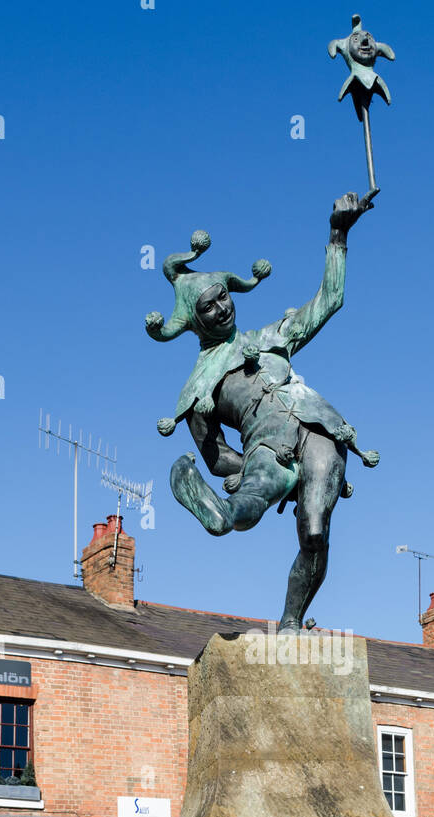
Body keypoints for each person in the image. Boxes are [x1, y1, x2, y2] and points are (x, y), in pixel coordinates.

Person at [145, 192, 379, 631]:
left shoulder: (272, 337)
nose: (221, 309)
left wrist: (338, 234)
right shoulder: (199, 387)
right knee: (251, 496)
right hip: (266, 445)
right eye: (208, 307)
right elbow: (214, 454)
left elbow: (329, 301)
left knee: (314, 533)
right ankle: (221, 514)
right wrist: (247, 463)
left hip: (320, 431)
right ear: (194, 321)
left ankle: (291, 621)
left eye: (223, 298)